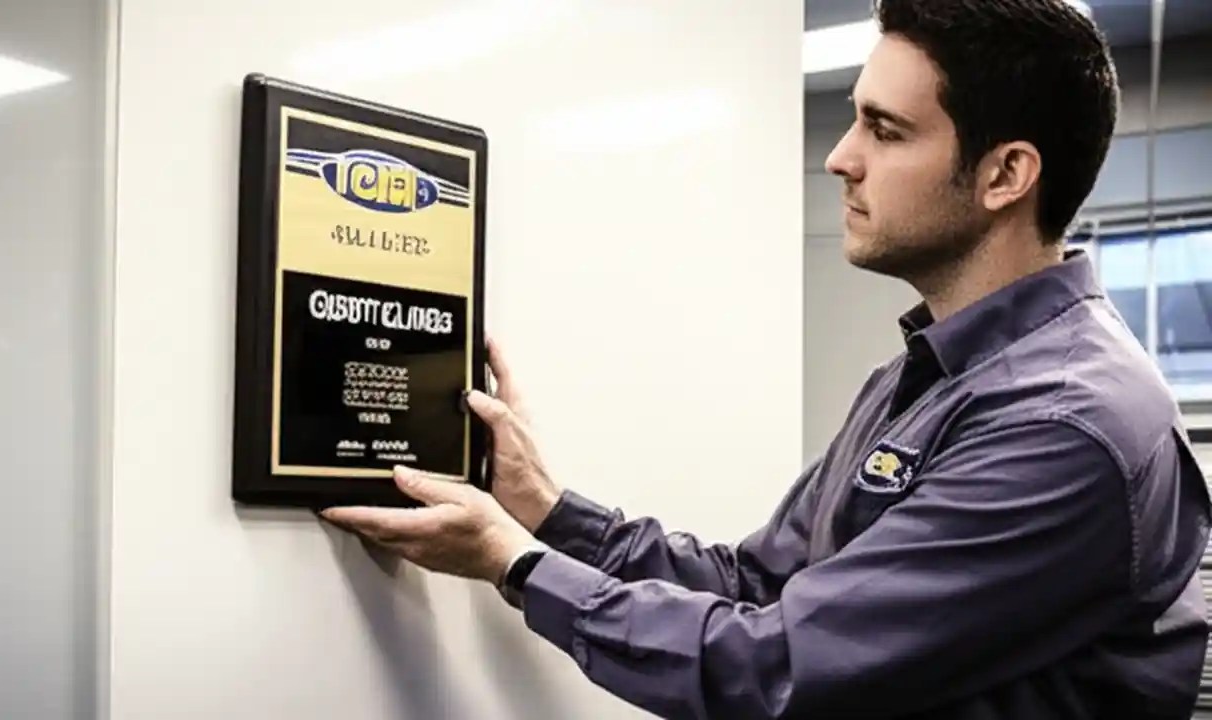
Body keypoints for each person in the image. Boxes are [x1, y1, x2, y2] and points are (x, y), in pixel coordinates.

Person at [320, 0, 1212, 717]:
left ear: (1005, 176)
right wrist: (549, 515)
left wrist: (514, 562)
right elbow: (759, 586)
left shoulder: (1067, 426)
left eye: (885, 130)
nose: (839, 157)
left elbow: (776, 668)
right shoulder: (935, 373)